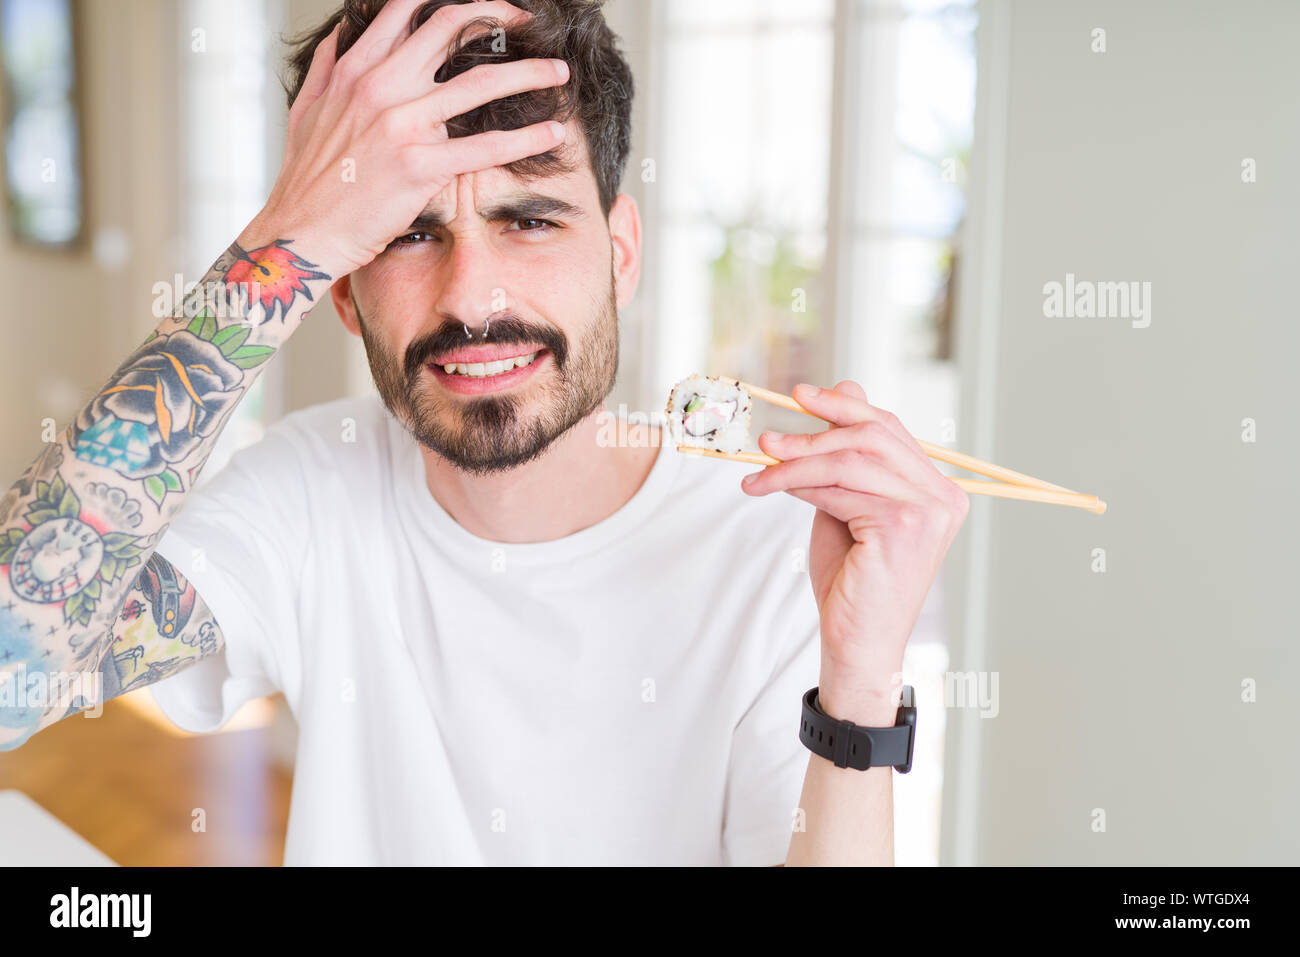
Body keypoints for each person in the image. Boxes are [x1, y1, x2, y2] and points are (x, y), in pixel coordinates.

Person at [0, 0, 968, 865]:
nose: (472, 299)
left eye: (531, 220)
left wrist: (859, 684)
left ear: (619, 255)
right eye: (408, 235)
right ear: (341, 291)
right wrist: (280, 244)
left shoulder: (777, 548)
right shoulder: (313, 486)